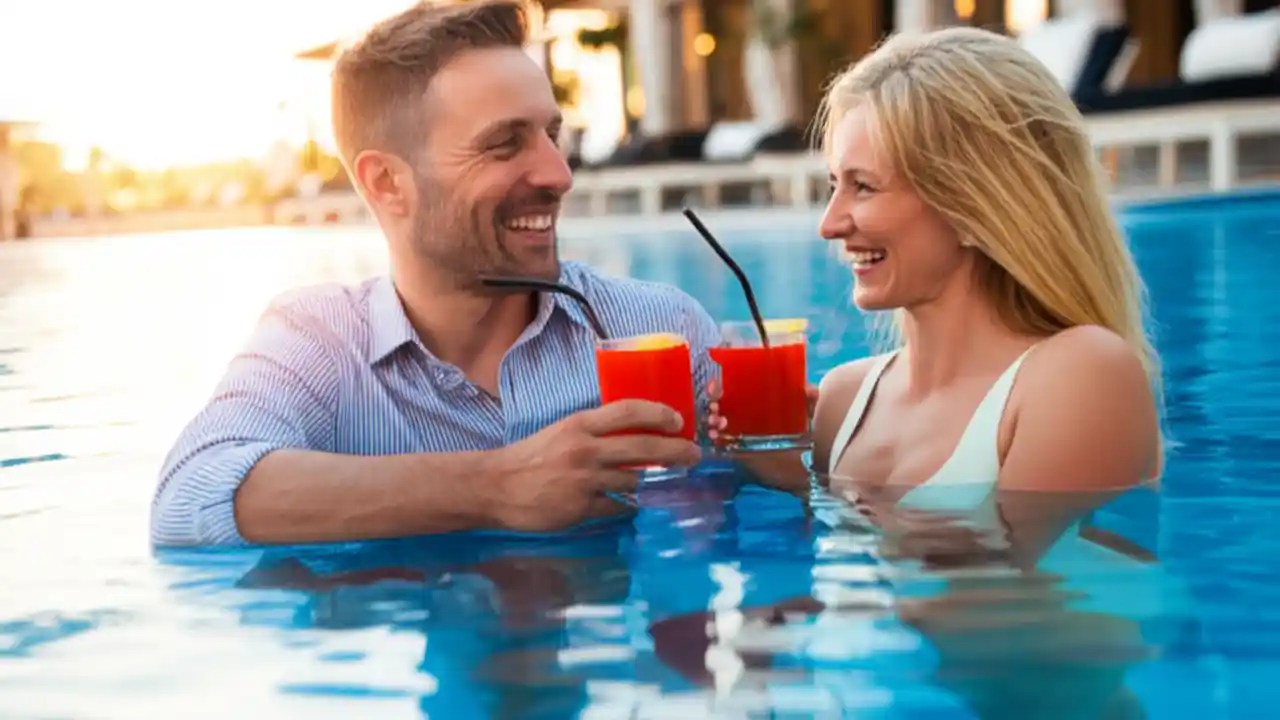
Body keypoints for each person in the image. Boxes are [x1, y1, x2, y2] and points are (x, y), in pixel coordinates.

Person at [151, 0, 717, 548]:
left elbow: (763, 469)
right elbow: (190, 496)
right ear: (387, 184)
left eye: (552, 135)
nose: (558, 174)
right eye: (504, 145)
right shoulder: (321, 343)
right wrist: (497, 485)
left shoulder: (656, 327)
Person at [808, 26, 1164, 509]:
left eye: (864, 187)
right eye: (835, 185)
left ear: (970, 208)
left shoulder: (1083, 377)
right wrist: (780, 480)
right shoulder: (843, 402)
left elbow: (1019, 562)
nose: (829, 225)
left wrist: (856, 505)